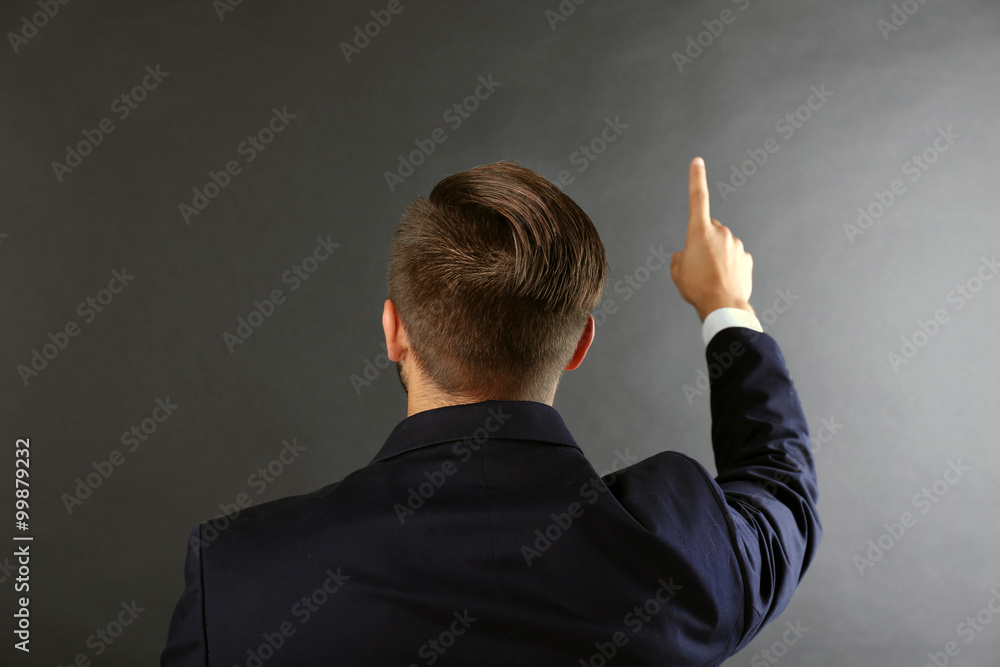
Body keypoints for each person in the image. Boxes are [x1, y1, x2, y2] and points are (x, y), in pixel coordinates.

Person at [161, 157, 821, 666]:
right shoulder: (684, 555)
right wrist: (726, 305)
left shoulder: (241, 573)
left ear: (394, 331)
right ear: (580, 345)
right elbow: (781, 491)